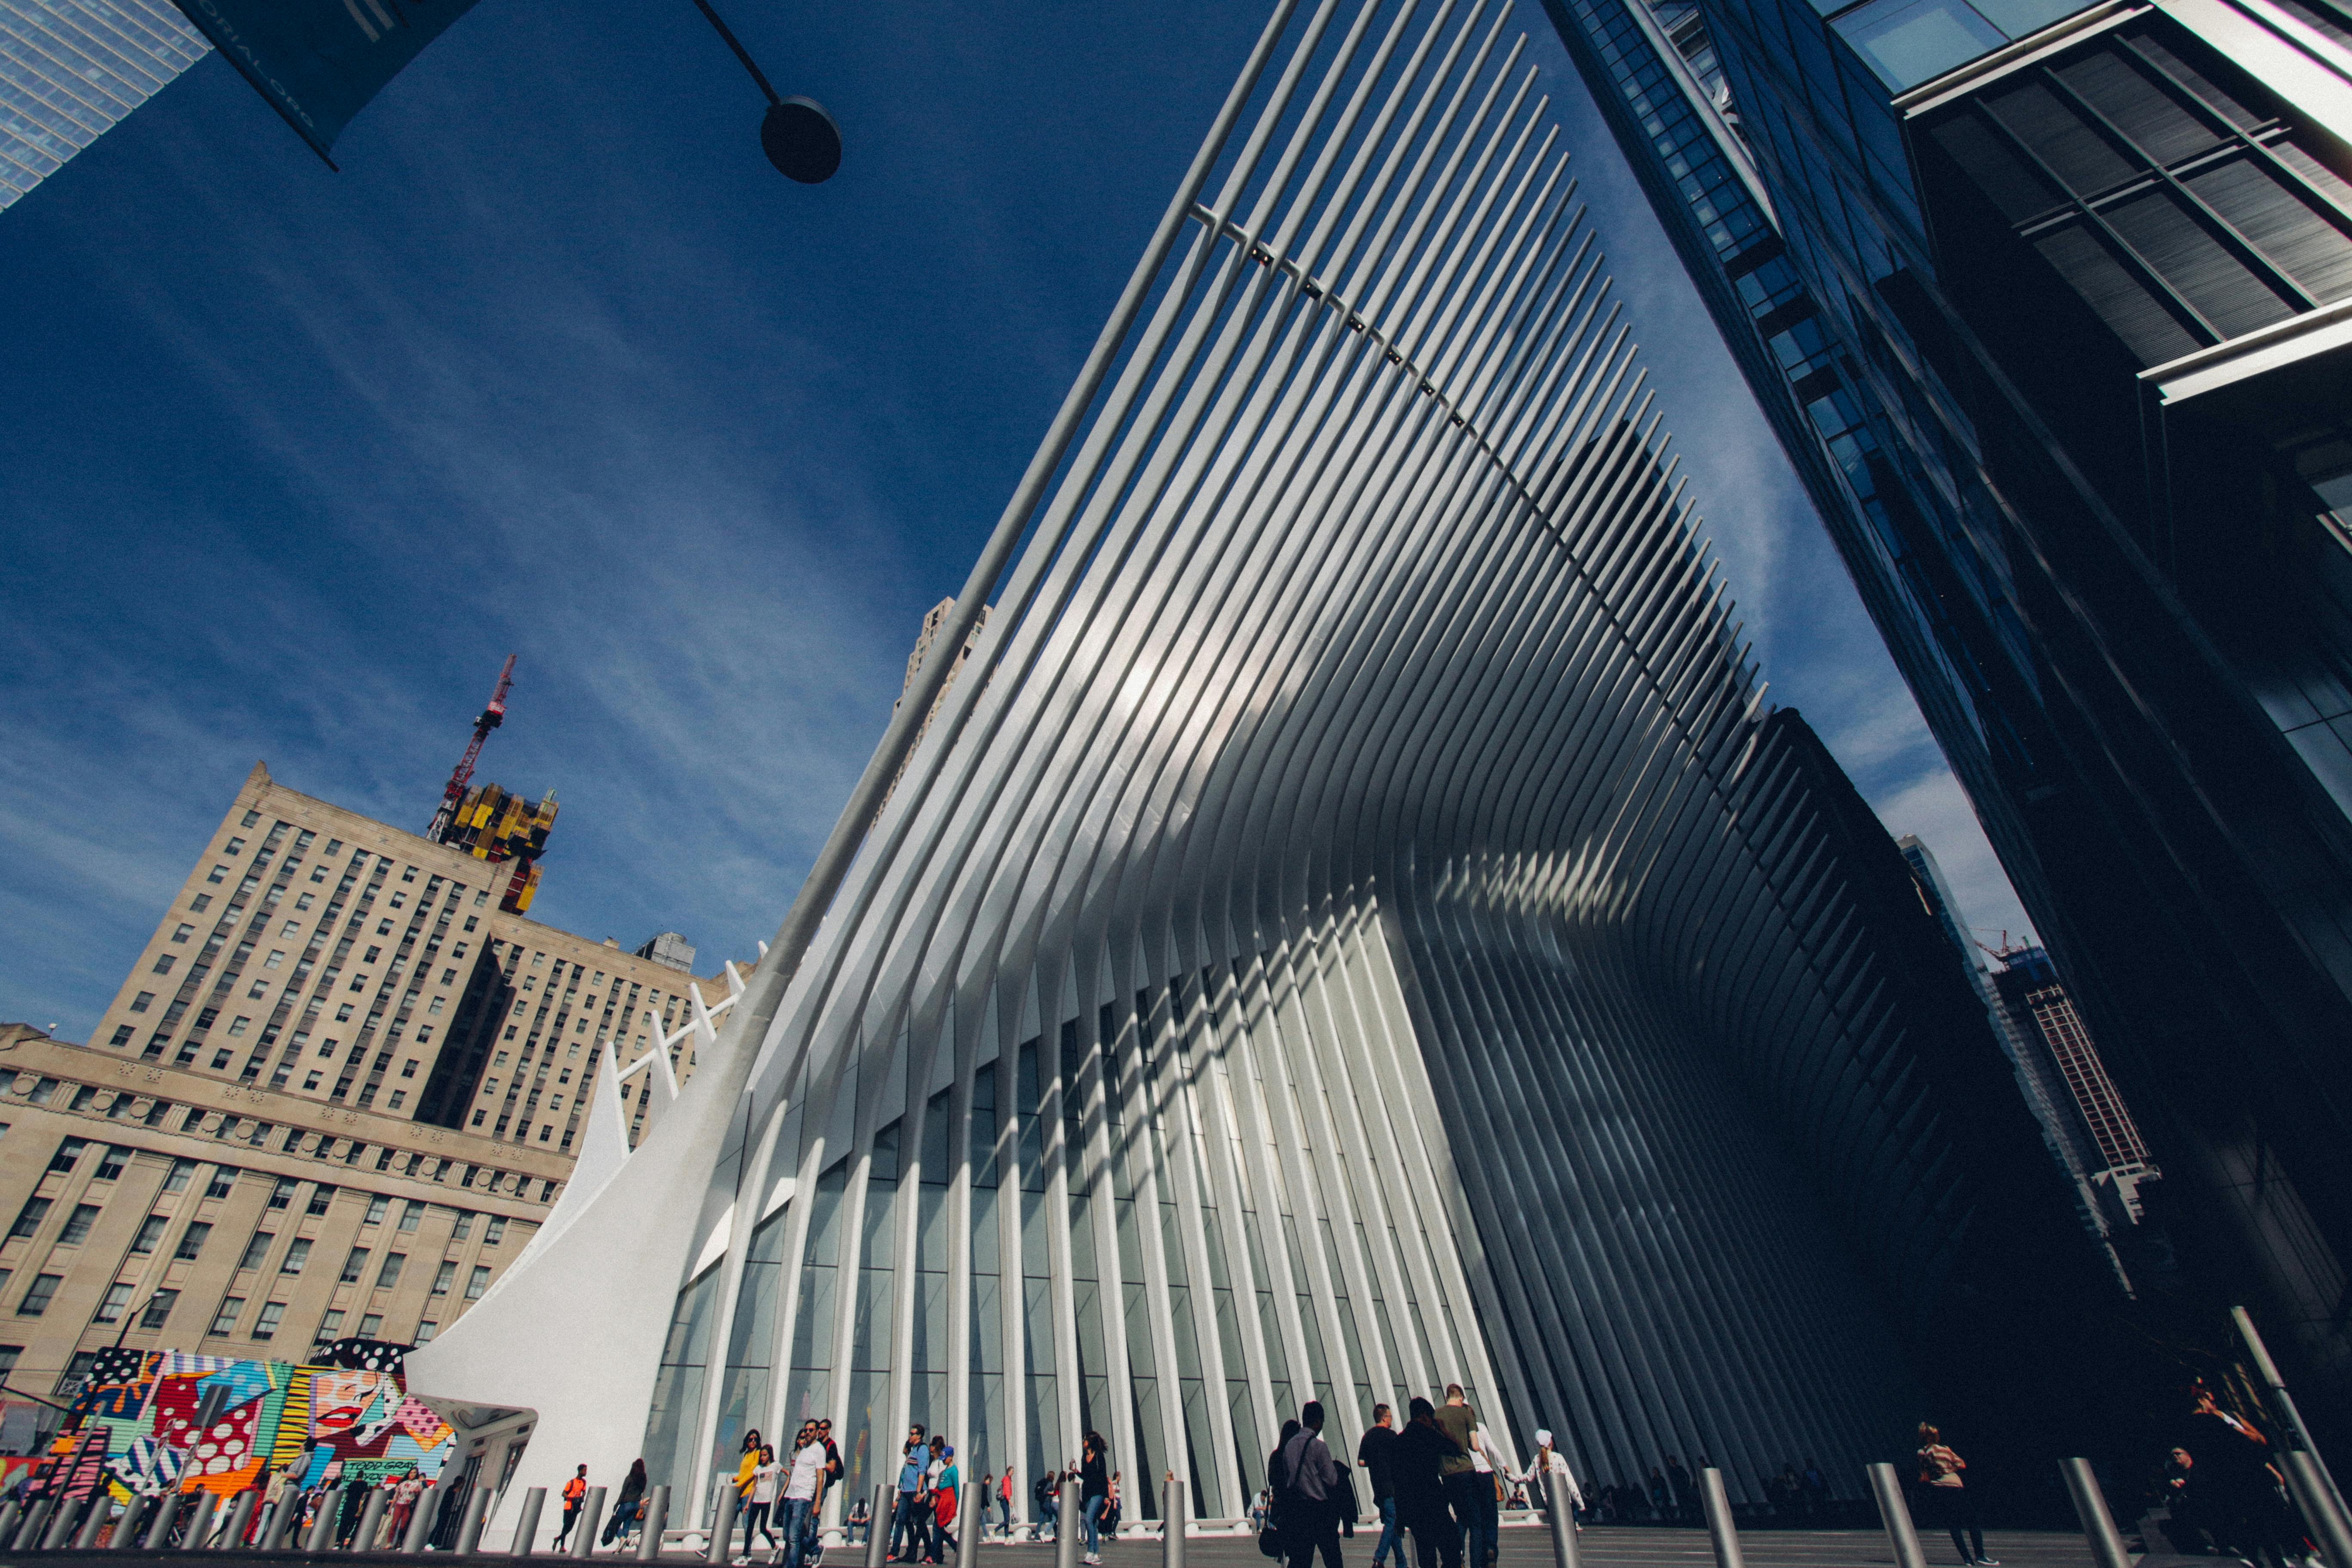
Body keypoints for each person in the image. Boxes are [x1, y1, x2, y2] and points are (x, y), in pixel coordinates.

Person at [1394, 1398, 1463, 1568]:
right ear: (1425, 1417)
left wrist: (1400, 1517)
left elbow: (1398, 1481)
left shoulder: (1399, 1441)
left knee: (1426, 1557)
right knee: (1452, 1546)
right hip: (1434, 1503)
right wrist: (1442, 1429)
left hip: (1413, 1507)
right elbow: (1457, 1449)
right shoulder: (1430, 1435)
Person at [1274, 1401, 1344, 1568]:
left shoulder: (1289, 1446)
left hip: (1299, 1511)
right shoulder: (1319, 1447)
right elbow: (1332, 1480)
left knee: (1300, 1561)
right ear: (1318, 1422)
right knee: (1333, 1559)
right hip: (1320, 1511)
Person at [1915, 1424, 1996, 1567]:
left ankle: (1967, 1559)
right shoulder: (1944, 1449)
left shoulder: (1921, 1453)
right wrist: (1949, 1469)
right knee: (1972, 1521)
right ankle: (1980, 1556)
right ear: (1935, 1436)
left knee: (1953, 1525)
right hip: (1953, 1487)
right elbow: (1961, 1464)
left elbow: (1925, 1472)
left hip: (1938, 1489)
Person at [1360, 1403, 1404, 1568]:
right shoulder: (1392, 1436)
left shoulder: (1368, 1436)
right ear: (1385, 1418)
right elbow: (1400, 1460)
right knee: (1392, 1521)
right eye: (1391, 1417)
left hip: (1377, 1486)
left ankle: (1402, 1563)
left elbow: (1361, 1461)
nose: (1391, 1419)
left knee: (1390, 1522)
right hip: (1391, 1485)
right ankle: (1379, 1559)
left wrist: (1375, 1462)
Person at [780, 1428, 828, 1568]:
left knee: (794, 1538)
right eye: (803, 1433)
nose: (806, 1434)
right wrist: (784, 1493)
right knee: (787, 1535)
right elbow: (792, 1476)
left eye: (810, 1431)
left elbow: (820, 1478)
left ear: (817, 1432)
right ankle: (814, 1548)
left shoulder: (819, 1450)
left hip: (803, 1496)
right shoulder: (803, 1452)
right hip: (791, 1495)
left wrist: (817, 1502)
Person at [1522, 1431, 1583, 1527]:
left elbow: (1528, 1477)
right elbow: (1570, 1482)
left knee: (1558, 1528)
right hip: (1564, 1501)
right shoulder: (1558, 1458)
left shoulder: (1537, 1460)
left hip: (1549, 1502)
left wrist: (1513, 1478)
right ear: (1550, 1442)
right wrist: (1580, 1503)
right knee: (1570, 1529)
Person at [891, 1426, 931, 1562]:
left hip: (914, 1492)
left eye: (913, 1434)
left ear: (919, 1436)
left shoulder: (922, 1449)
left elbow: (922, 1471)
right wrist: (901, 1490)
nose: (910, 1435)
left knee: (918, 1522)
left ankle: (928, 1550)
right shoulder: (913, 1450)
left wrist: (919, 1491)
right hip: (906, 1492)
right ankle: (896, 1552)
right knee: (901, 1520)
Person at [742, 1443, 784, 1563]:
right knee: (750, 1527)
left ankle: (775, 1547)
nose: (762, 1458)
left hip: (766, 1502)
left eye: (765, 1455)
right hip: (756, 1501)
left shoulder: (776, 1466)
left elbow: (789, 1474)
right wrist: (748, 1504)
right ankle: (745, 1555)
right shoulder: (758, 1469)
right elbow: (754, 1487)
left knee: (762, 1528)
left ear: (770, 1455)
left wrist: (783, 1492)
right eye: (761, 1456)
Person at [606, 1460, 650, 1548]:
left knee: (615, 1524)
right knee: (627, 1526)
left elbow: (623, 1492)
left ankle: (623, 1539)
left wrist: (617, 1504)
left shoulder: (630, 1478)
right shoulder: (643, 1479)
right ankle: (621, 1547)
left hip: (627, 1504)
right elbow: (642, 1490)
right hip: (636, 1505)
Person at [929, 1445, 960, 1564]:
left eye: (945, 1458)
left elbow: (956, 1489)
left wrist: (955, 1506)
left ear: (951, 1457)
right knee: (939, 1528)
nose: (943, 1460)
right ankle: (953, 1546)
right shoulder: (946, 1470)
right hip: (941, 1500)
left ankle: (934, 1555)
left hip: (948, 1502)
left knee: (938, 1528)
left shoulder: (953, 1470)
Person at [1034, 1469, 1061, 1542]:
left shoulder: (1045, 1482)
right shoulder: (1050, 1484)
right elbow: (1045, 1491)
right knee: (1054, 1519)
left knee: (1041, 1519)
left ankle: (1036, 1536)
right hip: (1047, 1503)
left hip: (1042, 1503)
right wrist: (1052, 1493)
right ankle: (1056, 1535)